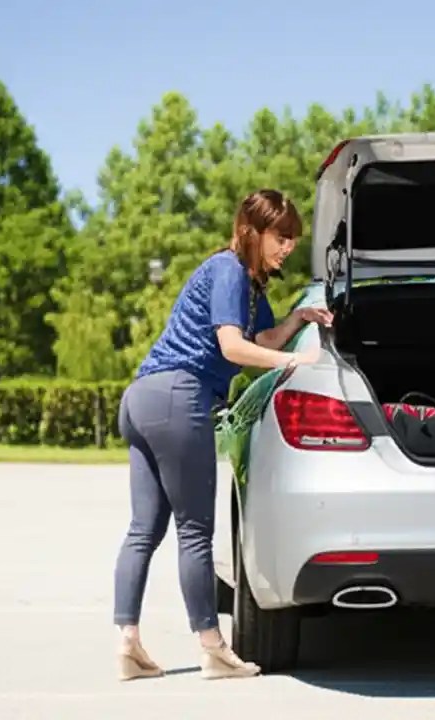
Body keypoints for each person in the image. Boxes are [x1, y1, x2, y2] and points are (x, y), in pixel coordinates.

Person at [111, 188, 333, 681]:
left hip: (142, 397)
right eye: (281, 237)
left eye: (293, 239)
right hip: (178, 398)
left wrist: (298, 319)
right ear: (251, 231)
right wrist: (297, 359)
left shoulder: (245, 285)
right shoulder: (228, 269)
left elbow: (259, 339)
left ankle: (127, 644)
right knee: (195, 531)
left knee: (143, 530)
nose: (288, 247)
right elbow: (234, 348)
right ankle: (213, 647)